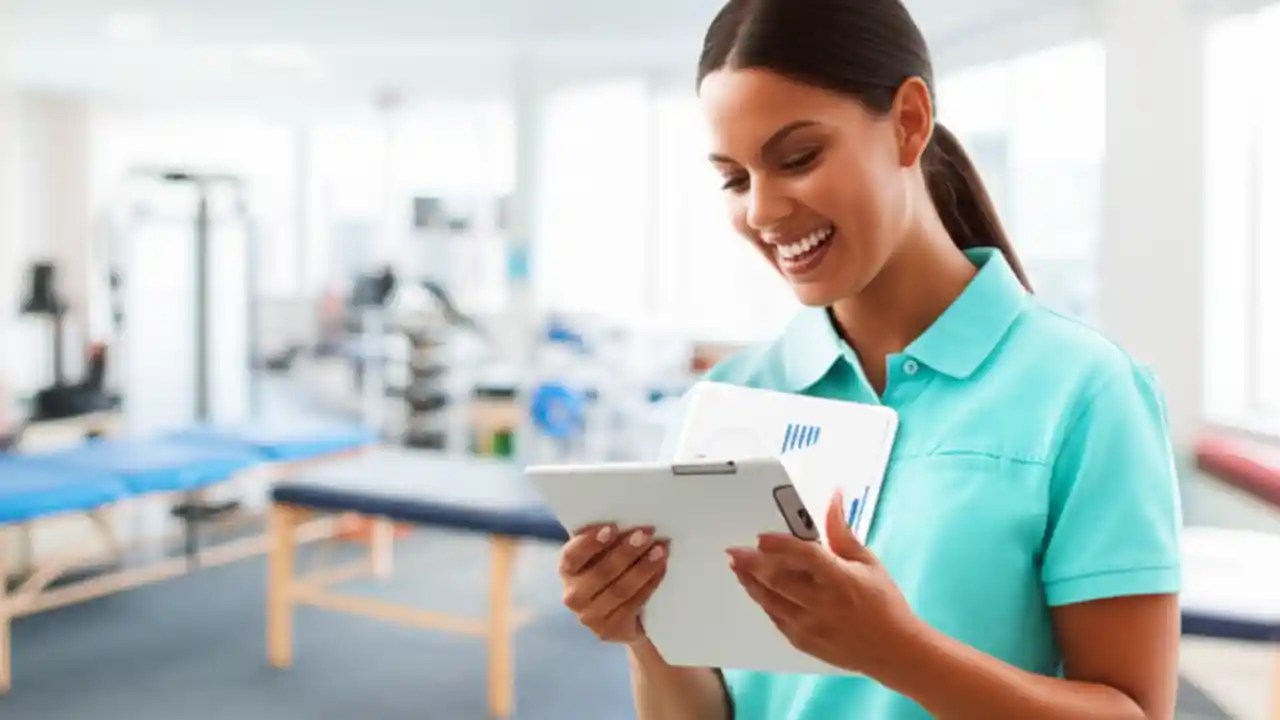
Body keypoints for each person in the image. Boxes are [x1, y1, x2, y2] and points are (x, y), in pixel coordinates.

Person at [555, 0, 1182, 717]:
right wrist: (644, 632)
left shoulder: (1085, 393)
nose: (762, 211)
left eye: (798, 158)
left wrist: (895, 652)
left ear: (909, 122)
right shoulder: (726, 401)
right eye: (735, 179)